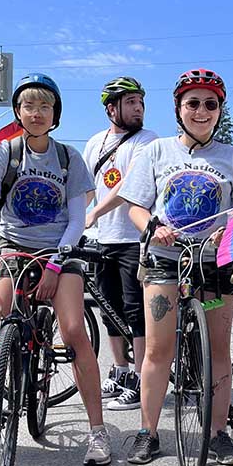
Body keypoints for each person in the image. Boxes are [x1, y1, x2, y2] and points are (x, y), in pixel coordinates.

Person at [0, 74, 111, 466]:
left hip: (59, 251)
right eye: (29, 106)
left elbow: (77, 220)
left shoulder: (69, 159)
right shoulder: (6, 152)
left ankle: (97, 431)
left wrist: (56, 263)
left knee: (74, 331)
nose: (36, 113)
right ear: (18, 112)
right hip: (13, 250)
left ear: (55, 114)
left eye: (45, 106)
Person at [119, 69, 233, 466]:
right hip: (166, 261)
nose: (201, 111)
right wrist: (154, 227)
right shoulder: (157, 151)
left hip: (213, 265)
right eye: (192, 103)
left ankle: (217, 433)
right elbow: (135, 207)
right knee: (157, 350)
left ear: (219, 111)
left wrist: (228, 232)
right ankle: (148, 433)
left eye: (210, 104)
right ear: (178, 109)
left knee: (218, 351)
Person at [83, 77, 158, 411]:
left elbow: (128, 185)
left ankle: (141, 379)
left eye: (140, 102)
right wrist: (78, 217)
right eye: (131, 102)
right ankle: (120, 371)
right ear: (111, 108)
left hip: (133, 238)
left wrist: (95, 212)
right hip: (103, 239)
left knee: (135, 311)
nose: (138, 108)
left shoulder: (147, 140)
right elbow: (87, 187)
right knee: (108, 308)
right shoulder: (95, 142)